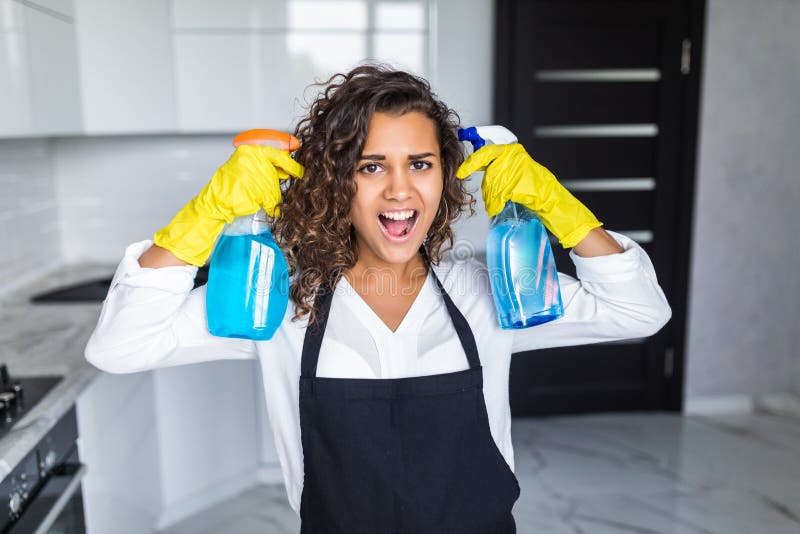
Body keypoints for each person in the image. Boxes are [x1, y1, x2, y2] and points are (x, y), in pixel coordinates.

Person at [85, 64, 671, 533]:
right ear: (336, 183)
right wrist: (202, 218)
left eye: (420, 163)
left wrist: (561, 211)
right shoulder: (281, 302)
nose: (399, 188)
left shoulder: (487, 292)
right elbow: (120, 347)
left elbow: (639, 311)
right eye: (371, 166)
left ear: (445, 177)